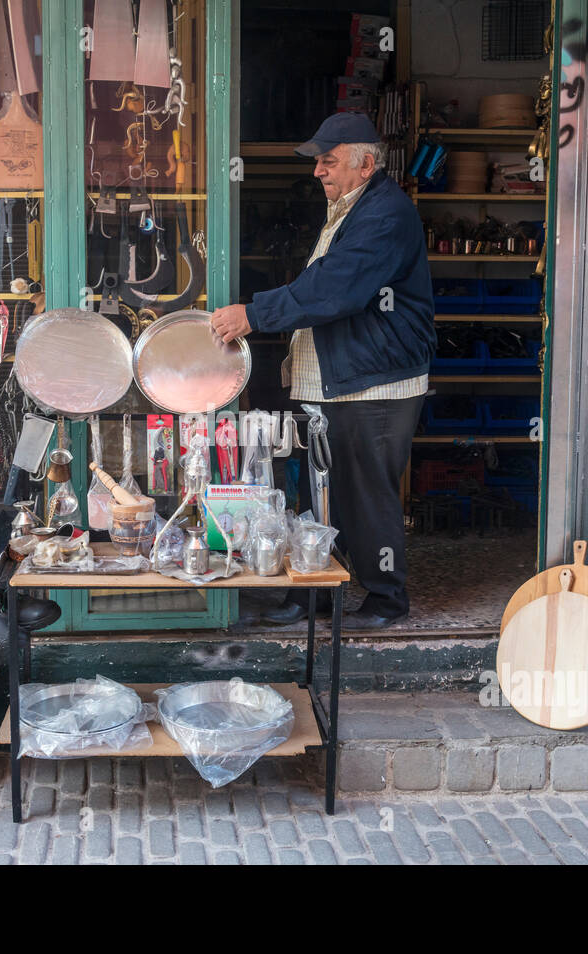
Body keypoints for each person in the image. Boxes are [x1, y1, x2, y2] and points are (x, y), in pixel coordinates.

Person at [211, 112, 436, 630]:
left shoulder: (385, 214)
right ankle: (316, 591)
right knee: (323, 492)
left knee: (366, 494)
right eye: (318, 162)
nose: (318, 172)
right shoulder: (352, 207)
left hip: (373, 384)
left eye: (328, 162)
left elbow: (337, 288)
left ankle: (385, 599)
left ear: (365, 165)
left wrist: (254, 314)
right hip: (341, 383)